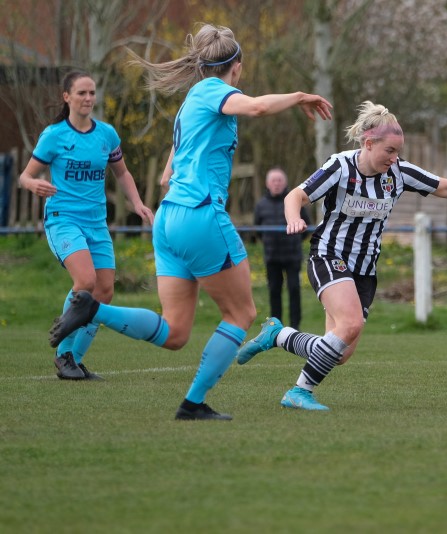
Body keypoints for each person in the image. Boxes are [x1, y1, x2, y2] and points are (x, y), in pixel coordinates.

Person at [48, 23, 333, 420]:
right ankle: (193, 403)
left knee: (175, 332)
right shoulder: (214, 91)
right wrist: (301, 95)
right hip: (199, 214)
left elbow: (166, 175)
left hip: (170, 218)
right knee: (242, 314)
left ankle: (92, 310)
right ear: (236, 66)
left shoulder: (192, 101)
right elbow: (257, 107)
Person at [235, 101, 447, 411]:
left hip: (364, 270)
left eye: (398, 151)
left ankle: (278, 335)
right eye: (389, 150)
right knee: (350, 325)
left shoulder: (398, 173)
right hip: (329, 256)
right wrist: (294, 217)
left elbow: (445, 187)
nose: (394, 157)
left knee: (339, 353)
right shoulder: (340, 167)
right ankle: (299, 392)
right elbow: (297, 195)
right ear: (369, 143)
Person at [19, 70, 155, 381]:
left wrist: (137, 203)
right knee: (85, 281)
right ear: (66, 97)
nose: (88, 98)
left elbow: (122, 173)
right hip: (63, 220)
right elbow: (26, 175)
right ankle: (63, 353)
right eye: (82, 93)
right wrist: (32, 184)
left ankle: (75, 361)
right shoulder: (54, 135)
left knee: (104, 291)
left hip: (97, 223)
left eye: (92, 92)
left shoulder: (106, 134)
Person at [254, 167, 311, 329]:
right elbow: (258, 230)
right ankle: (275, 327)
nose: (277, 184)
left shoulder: (294, 202)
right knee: (274, 291)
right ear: (268, 184)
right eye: (274, 181)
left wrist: (295, 240)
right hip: (272, 257)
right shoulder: (261, 205)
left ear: (284, 183)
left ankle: (294, 327)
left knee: (294, 290)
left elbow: (306, 226)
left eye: (279, 180)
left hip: (292, 256)